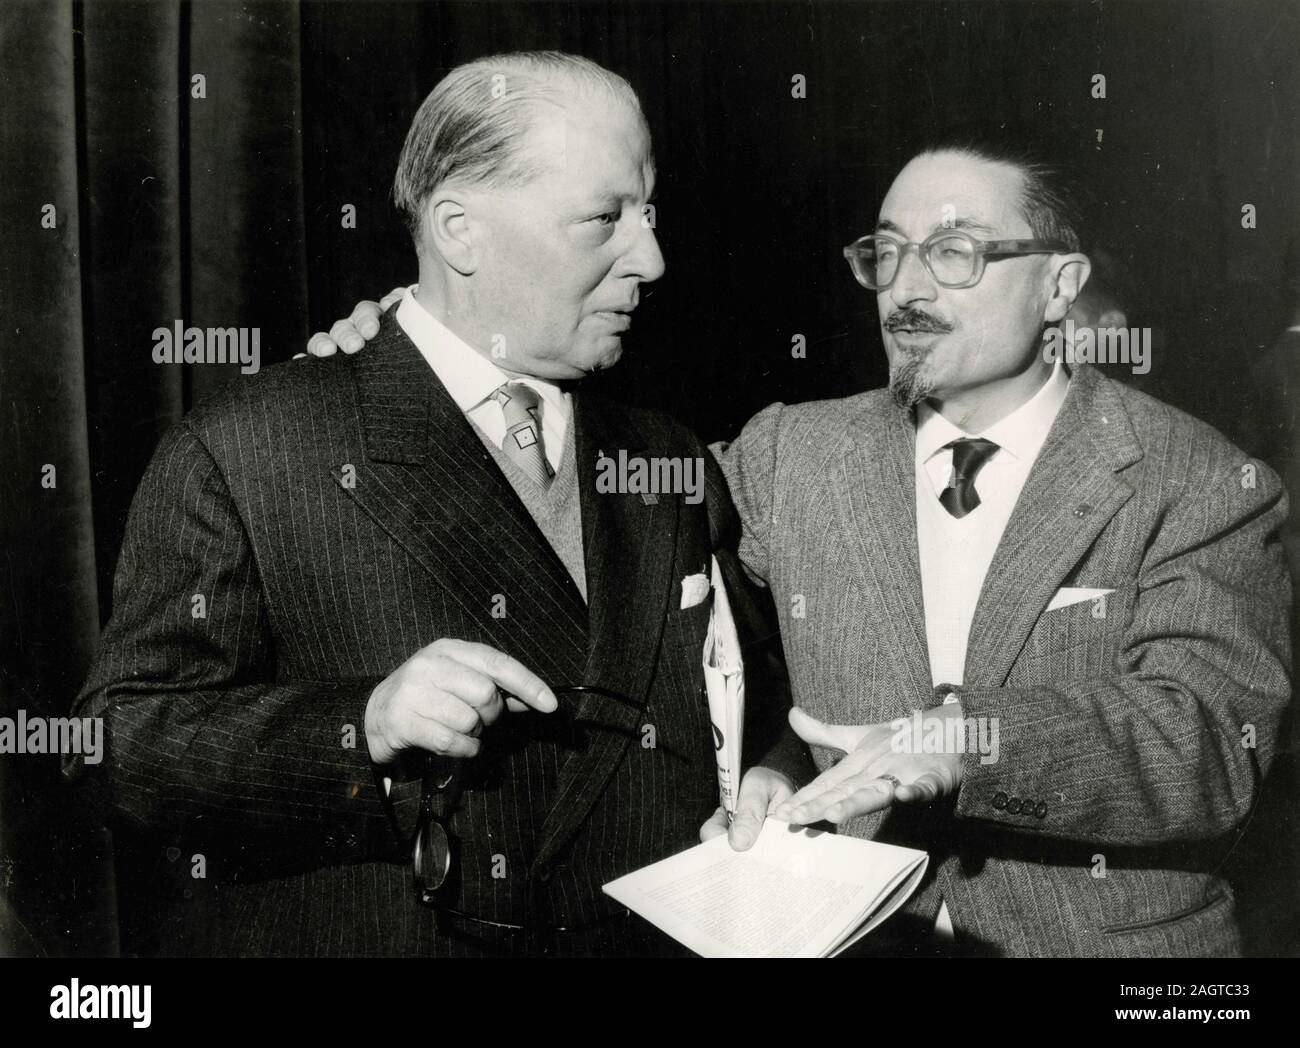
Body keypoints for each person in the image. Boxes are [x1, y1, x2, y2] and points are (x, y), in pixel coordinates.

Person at [323, 123, 1291, 957]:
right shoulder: (794, 450)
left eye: (954, 253)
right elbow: (579, 502)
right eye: (887, 252)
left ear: (1057, 285)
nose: (904, 290)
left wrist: (969, 739)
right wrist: (418, 354)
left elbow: (1207, 744)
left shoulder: (1196, 482)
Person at [69, 51, 801, 958]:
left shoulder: (667, 454)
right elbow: (118, 746)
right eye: (603, 218)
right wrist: (363, 724)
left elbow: (760, 698)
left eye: (647, 211)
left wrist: (772, 774)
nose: (650, 257)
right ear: (460, 229)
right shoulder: (246, 447)